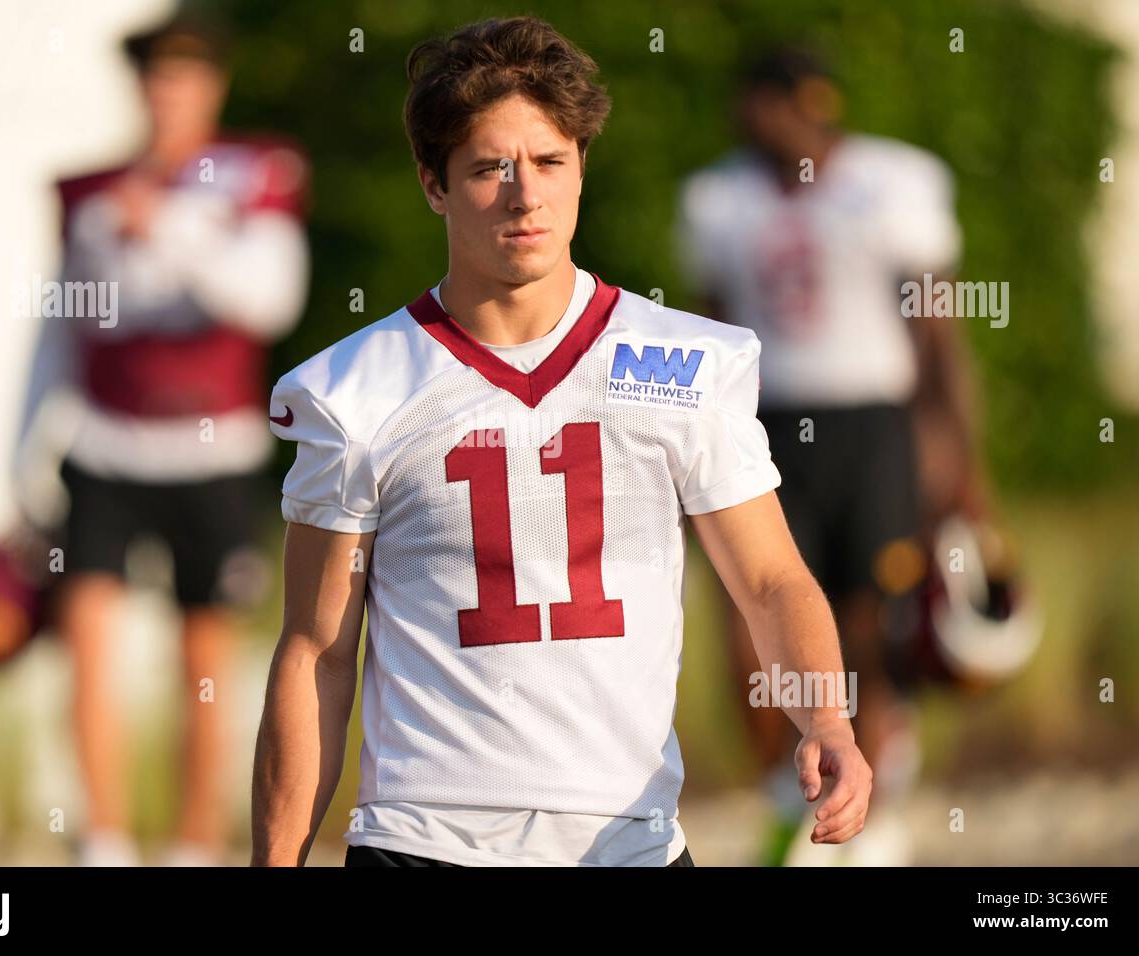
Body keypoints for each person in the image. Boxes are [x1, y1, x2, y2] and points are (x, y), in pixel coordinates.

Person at [251, 16, 871, 868]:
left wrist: (826, 718)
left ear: (582, 167)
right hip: (422, 843)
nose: (524, 194)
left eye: (548, 161)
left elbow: (769, 582)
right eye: (488, 167)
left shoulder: (682, 365)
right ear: (432, 184)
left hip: (629, 845)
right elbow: (319, 651)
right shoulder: (358, 389)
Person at [12, 9, 311, 865]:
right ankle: (102, 841)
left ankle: (190, 846)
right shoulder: (87, 191)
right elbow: (59, 329)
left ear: (213, 85)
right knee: (87, 645)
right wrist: (22, 452)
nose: (166, 94)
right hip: (106, 446)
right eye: (153, 77)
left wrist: (171, 232)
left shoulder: (260, 172)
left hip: (214, 453)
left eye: (184, 76)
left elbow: (269, 301)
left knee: (203, 661)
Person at [675, 47, 986, 865]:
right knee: (757, 619)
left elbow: (939, 338)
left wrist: (962, 462)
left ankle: (870, 805)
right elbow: (712, 337)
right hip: (766, 425)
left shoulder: (892, 183)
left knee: (868, 622)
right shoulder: (719, 198)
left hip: (874, 425)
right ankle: (795, 795)